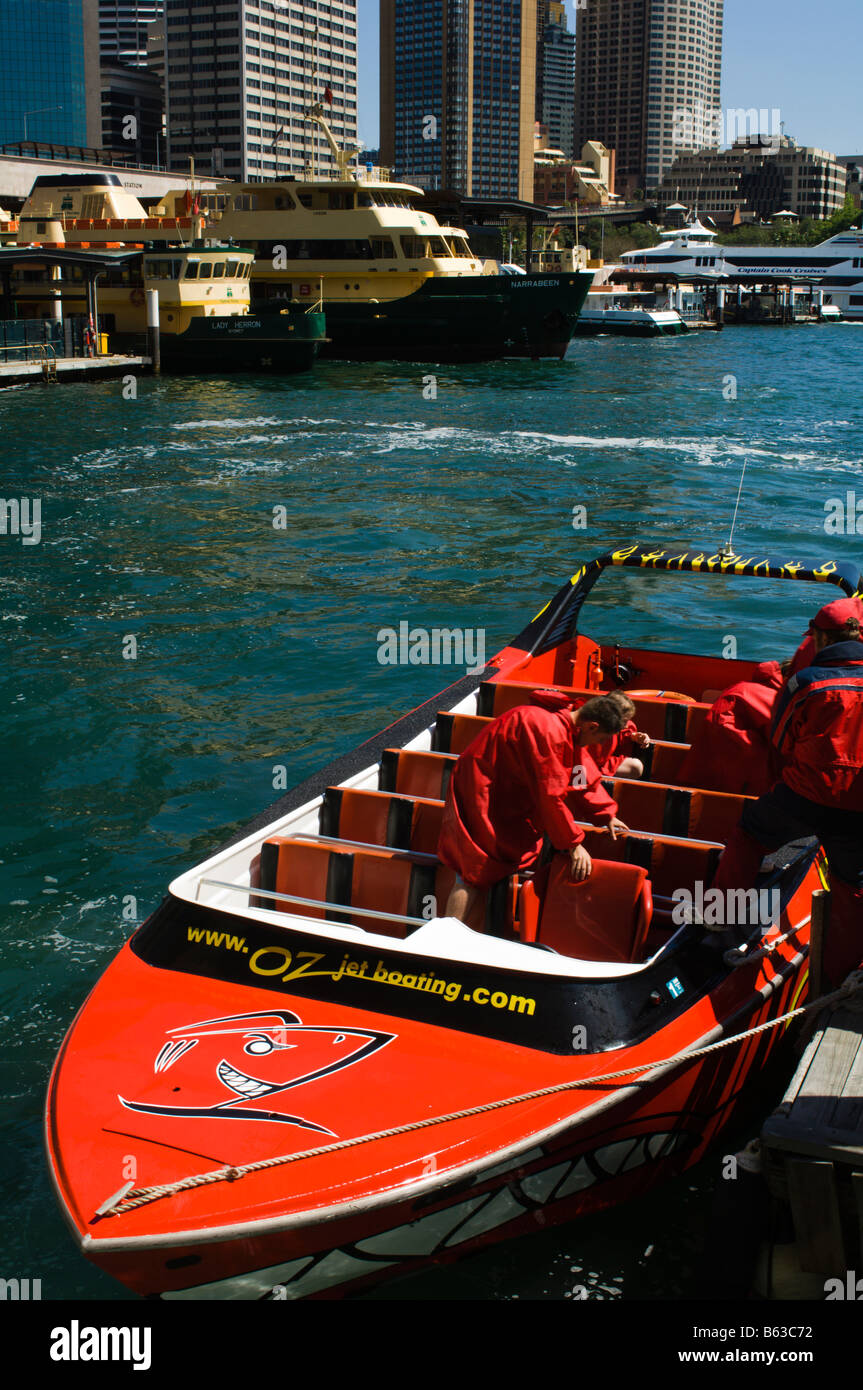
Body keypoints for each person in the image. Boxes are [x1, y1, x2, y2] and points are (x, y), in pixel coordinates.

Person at [711, 607, 863, 982]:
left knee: (748, 833)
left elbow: (780, 743)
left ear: (820, 638)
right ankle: (838, 976)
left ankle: (722, 920)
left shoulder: (805, 682)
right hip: (859, 806)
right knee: (852, 885)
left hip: (805, 796)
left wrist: (786, 783)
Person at [438, 690, 631, 929]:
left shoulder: (565, 723)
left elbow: (580, 774)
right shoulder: (549, 732)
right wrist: (573, 845)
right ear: (592, 726)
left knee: (502, 857)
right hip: (482, 788)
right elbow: (551, 796)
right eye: (601, 739)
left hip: (506, 789)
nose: (599, 745)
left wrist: (606, 814)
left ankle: (485, 929)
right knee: (474, 869)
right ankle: (444, 935)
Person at [677, 660, 785, 797]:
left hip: (702, 770)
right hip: (739, 777)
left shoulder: (741, 687)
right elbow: (781, 741)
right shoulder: (773, 699)